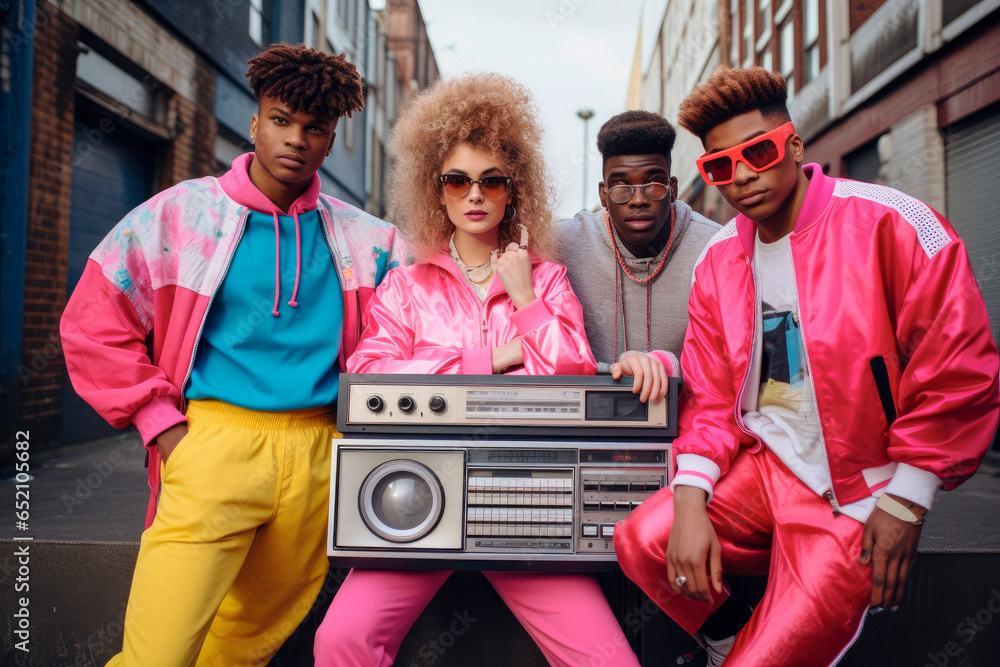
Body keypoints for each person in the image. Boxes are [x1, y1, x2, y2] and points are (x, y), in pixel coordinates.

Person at [613, 66, 1000, 666]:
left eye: (758, 152)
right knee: (641, 540)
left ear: (794, 145)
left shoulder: (892, 222)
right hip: (763, 468)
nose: (741, 177)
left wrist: (907, 500)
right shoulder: (719, 259)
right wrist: (689, 503)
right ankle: (727, 643)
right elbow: (713, 397)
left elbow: (959, 369)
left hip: (858, 493)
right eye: (720, 166)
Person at [60, 44, 407, 666]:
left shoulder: (370, 240)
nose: (295, 139)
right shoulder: (180, 216)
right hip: (212, 442)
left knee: (242, 647)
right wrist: (160, 425)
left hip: (319, 455)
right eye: (280, 120)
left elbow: (428, 326)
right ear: (255, 122)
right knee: (157, 651)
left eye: (314, 129)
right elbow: (93, 325)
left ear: (331, 141)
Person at [313, 73, 641, 667]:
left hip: (528, 507)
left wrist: (526, 300)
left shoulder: (545, 279)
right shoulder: (404, 287)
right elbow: (373, 376)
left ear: (513, 190)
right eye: (457, 179)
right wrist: (494, 359)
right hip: (418, 505)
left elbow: (571, 378)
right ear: (434, 190)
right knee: (341, 640)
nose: (475, 194)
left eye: (492, 180)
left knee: (607, 660)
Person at [554, 110, 720, 399]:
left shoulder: (714, 247)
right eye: (621, 187)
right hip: (590, 429)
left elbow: (728, 364)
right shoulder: (562, 244)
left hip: (687, 432)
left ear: (672, 189)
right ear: (603, 195)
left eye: (653, 184)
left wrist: (668, 369)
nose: (639, 199)